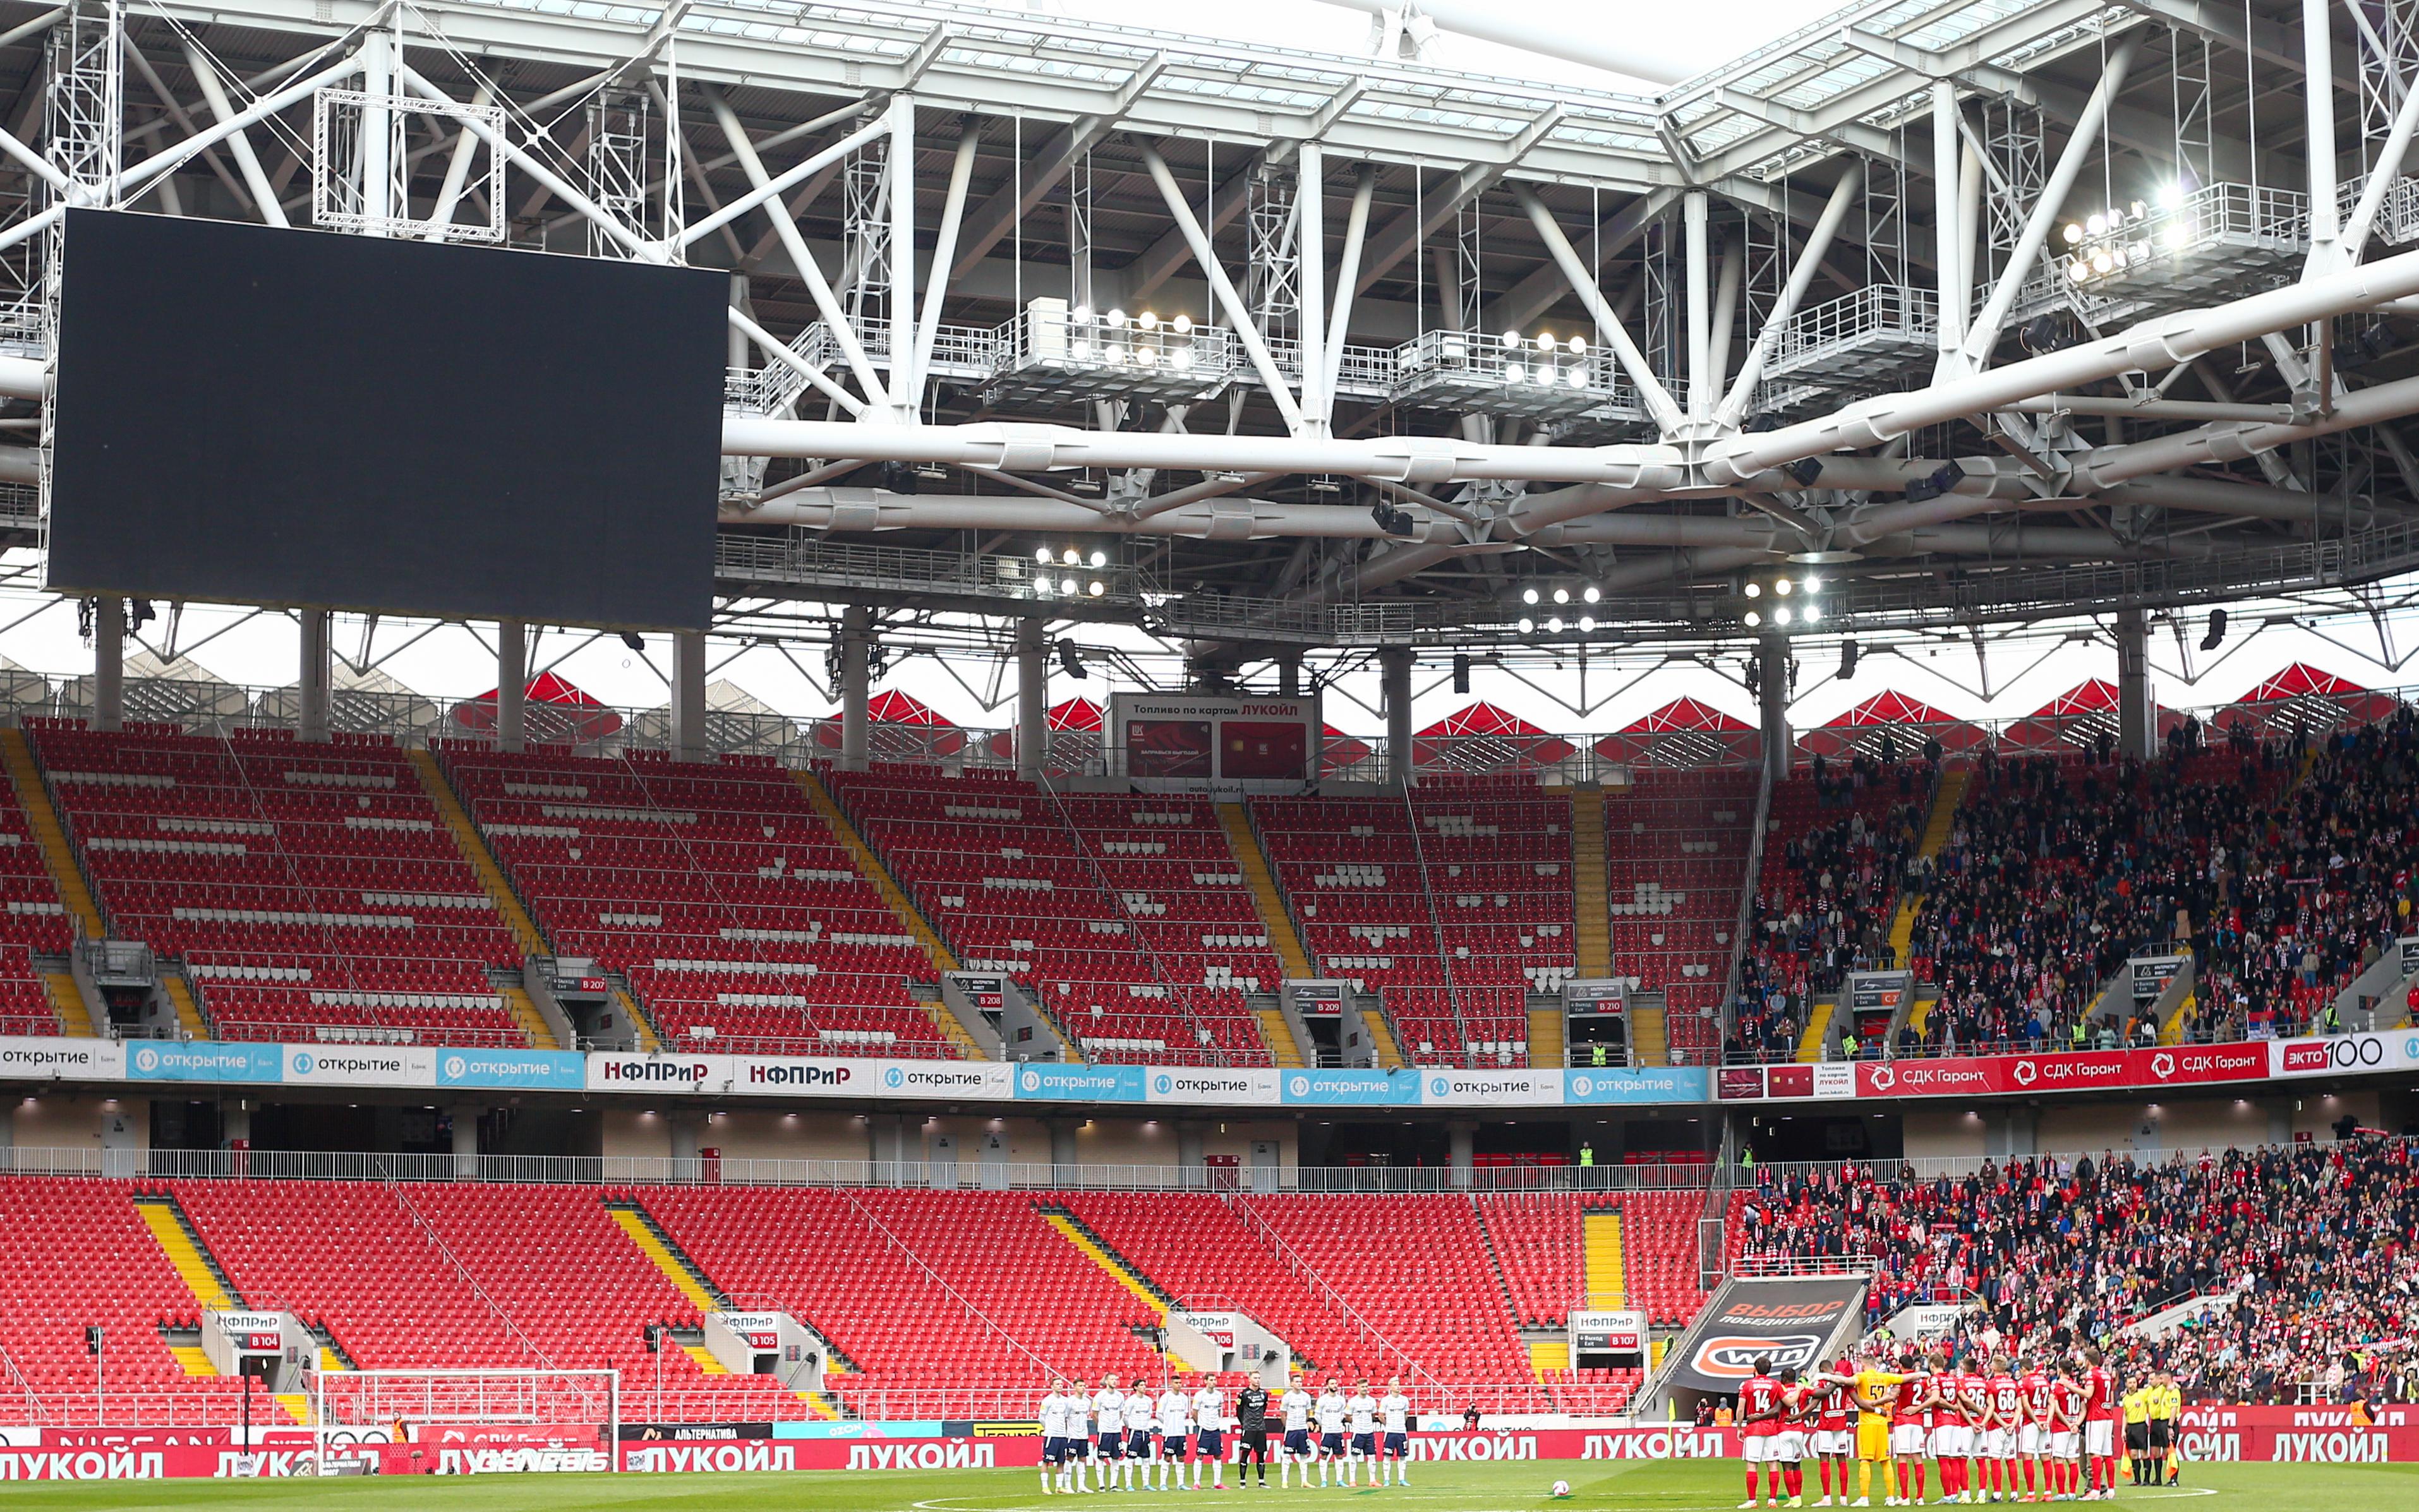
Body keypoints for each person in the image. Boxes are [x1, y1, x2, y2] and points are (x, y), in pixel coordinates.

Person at [1737, 1353, 1788, 1509]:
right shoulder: (1776, 1385)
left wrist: (1739, 1427)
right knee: (1772, 1464)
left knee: (1752, 1465)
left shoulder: (1746, 1385)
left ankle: (1752, 1500)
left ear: (1755, 1369)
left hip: (1753, 1430)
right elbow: (1788, 1402)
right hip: (1771, 1428)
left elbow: (1740, 1409)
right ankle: (1772, 1500)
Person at [1808, 1357, 1855, 1508]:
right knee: (1842, 1461)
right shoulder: (1845, 1382)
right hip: (1841, 1424)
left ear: (1822, 1370)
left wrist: (1799, 1415)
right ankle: (1844, 1498)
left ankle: (1827, 1497)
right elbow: (1857, 1399)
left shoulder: (1822, 1382)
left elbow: (1815, 1402)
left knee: (1824, 1460)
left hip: (1825, 1425)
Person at [1981, 1353, 2024, 1505]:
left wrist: (2004, 1424)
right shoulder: (2014, 1384)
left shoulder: (1990, 1384)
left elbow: (1991, 1408)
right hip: (2011, 1426)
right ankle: (2014, 1494)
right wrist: (2012, 1423)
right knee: (2011, 1460)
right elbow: (2020, 1407)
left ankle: (1997, 1494)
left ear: (1993, 1367)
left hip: (1997, 1426)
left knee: (1995, 1459)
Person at [2077, 1347, 2118, 1501]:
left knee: (2095, 1453)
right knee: (2108, 1454)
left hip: (2096, 1416)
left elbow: (2088, 1394)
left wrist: (2072, 1387)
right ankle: (2111, 1490)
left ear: (2088, 1361)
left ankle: (2095, 1490)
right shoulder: (2106, 1374)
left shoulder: (2091, 1374)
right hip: (2107, 1416)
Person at [2048, 1364, 2085, 1503]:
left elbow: (2056, 1409)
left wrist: (2068, 1424)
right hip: (2074, 1428)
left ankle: (2062, 1493)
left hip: (2061, 1427)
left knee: (2058, 1459)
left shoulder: (2056, 1386)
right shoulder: (2076, 1387)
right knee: (2072, 1460)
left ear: (2060, 1370)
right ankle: (2072, 1493)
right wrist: (2076, 1424)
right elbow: (2083, 1410)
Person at [1191, 1374, 1228, 1491]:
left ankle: (1217, 1482)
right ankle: (1197, 1483)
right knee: (1200, 1455)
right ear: (1205, 1381)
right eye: (1211, 1380)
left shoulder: (1219, 1395)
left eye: (1215, 1380)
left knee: (1218, 1455)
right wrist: (1200, 1424)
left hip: (1215, 1429)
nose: (1214, 1382)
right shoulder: (1200, 1395)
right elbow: (1194, 1413)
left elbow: (1219, 1410)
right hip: (1204, 1429)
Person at [1156, 1378, 1193, 1492]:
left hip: (1181, 1433)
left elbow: (1185, 1414)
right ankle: (1163, 1483)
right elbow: (1159, 1414)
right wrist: (1167, 1424)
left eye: (1180, 1383)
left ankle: (1181, 1483)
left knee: (1181, 1458)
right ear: (1171, 1384)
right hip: (1169, 1433)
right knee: (1167, 1457)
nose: (1179, 1385)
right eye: (1176, 1383)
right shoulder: (1166, 1397)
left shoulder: (1184, 1398)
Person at [1235, 1376, 1272, 1489]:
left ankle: (1261, 1481)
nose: (1258, 1380)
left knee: (1261, 1455)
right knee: (1245, 1454)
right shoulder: (1244, 1394)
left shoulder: (1264, 1394)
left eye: (1259, 1378)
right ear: (1250, 1380)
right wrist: (1245, 1424)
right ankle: (1243, 1482)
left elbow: (1264, 1408)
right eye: (1255, 1378)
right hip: (1248, 1429)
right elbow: (1239, 1411)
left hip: (1261, 1428)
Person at [1279, 1375, 1314, 1488]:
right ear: (1292, 1384)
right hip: (1291, 1430)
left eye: (1300, 1382)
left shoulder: (1306, 1397)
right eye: (1297, 1382)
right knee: (1287, 1455)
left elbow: (1308, 1412)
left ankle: (1304, 1481)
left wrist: (1303, 1423)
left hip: (1302, 1430)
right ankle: (1285, 1481)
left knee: (1304, 1455)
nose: (1299, 1384)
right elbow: (1283, 1415)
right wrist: (1288, 1426)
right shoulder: (1287, 1397)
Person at [1092, 1375, 1126, 1489]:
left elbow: (1121, 1413)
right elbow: (1095, 1414)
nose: (1115, 1381)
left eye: (1116, 1379)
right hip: (1104, 1431)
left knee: (1116, 1457)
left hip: (1116, 1431)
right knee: (1101, 1457)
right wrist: (1101, 1425)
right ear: (1106, 1381)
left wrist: (1116, 1424)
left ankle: (1113, 1485)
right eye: (1112, 1379)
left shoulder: (1120, 1396)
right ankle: (1101, 1485)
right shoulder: (1100, 1396)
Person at [1315, 1377, 1350, 1487]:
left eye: (1336, 1383)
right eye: (1332, 1383)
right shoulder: (1322, 1400)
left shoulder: (1341, 1400)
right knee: (1324, 1455)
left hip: (1338, 1431)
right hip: (1327, 1432)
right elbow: (1317, 1415)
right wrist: (1323, 1425)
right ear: (1327, 1386)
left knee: (1339, 1455)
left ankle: (1339, 1480)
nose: (1335, 1385)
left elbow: (1343, 1414)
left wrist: (1337, 1422)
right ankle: (1324, 1481)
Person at [2148, 1371, 2180, 1487]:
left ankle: (2174, 1479)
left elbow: (2174, 1409)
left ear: (2168, 1378)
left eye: (2162, 1379)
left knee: (2170, 1451)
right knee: (2159, 1451)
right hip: (2161, 1423)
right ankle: (2158, 1479)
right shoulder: (2166, 1391)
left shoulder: (2174, 1392)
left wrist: (2170, 1426)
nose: (2160, 1381)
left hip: (2169, 1423)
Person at [1378, 1377, 1412, 1488]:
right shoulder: (1386, 1400)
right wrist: (1388, 1425)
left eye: (1399, 1384)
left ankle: (1401, 1479)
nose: (1398, 1386)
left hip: (1402, 1432)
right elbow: (1381, 1416)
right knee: (1387, 1456)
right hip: (1390, 1432)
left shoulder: (1404, 1399)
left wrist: (1401, 1423)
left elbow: (1406, 1414)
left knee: (1402, 1456)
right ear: (1390, 1387)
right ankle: (1387, 1479)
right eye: (1395, 1385)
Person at [1346, 1377, 1379, 1488]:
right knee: (1354, 1457)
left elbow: (1374, 1415)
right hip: (1358, 1433)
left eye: (1366, 1387)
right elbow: (1348, 1416)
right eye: (1363, 1387)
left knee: (1372, 1457)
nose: (1365, 1389)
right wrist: (1356, 1424)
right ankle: (1352, 1481)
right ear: (1358, 1388)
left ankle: (1373, 1480)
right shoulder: (1353, 1402)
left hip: (1369, 1433)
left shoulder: (1371, 1401)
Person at [1041, 1379, 1071, 1497]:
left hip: (1062, 1435)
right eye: (1057, 1384)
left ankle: (1059, 1486)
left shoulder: (1066, 1401)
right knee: (1047, 1461)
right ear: (1052, 1386)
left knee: (1061, 1461)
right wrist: (1048, 1429)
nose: (1060, 1386)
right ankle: (1045, 1486)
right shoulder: (1047, 1400)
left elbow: (1066, 1417)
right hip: (1051, 1435)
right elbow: (1041, 1418)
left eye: (1061, 1384)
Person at [1123, 1379, 1155, 1490]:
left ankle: (1146, 1484)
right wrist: (1131, 1427)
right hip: (1135, 1432)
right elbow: (1125, 1417)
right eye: (1141, 1385)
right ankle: (1129, 1484)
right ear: (1135, 1387)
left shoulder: (1148, 1401)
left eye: (1144, 1385)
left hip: (1145, 1432)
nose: (1144, 1387)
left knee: (1146, 1458)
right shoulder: (1131, 1401)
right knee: (1131, 1458)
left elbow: (1149, 1415)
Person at [1065, 1377, 1094, 1494]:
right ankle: (1068, 1485)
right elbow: (1065, 1417)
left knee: (1082, 1458)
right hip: (1072, 1435)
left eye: (1084, 1386)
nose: (1083, 1388)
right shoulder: (1070, 1401)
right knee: (1070, 1458)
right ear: (1075, 1387)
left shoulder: (1087, 1401)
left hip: (1084, 1435)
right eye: (1080, 1386)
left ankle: (1081, 1485)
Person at [2120, 1377, 2149, 1487]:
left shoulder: (2142, 1394)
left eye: (2134, 1382)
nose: (2133, 1385)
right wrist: (2123, 1430)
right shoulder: (2125, 1398)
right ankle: (2137, 1480)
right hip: (2131, 1427)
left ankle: (2147, 1479)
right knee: (2133, 1454)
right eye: (2130, 1383)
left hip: (2141, 1425)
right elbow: (2125, 1415)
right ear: (2126, 1384)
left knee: (2144, 1453)